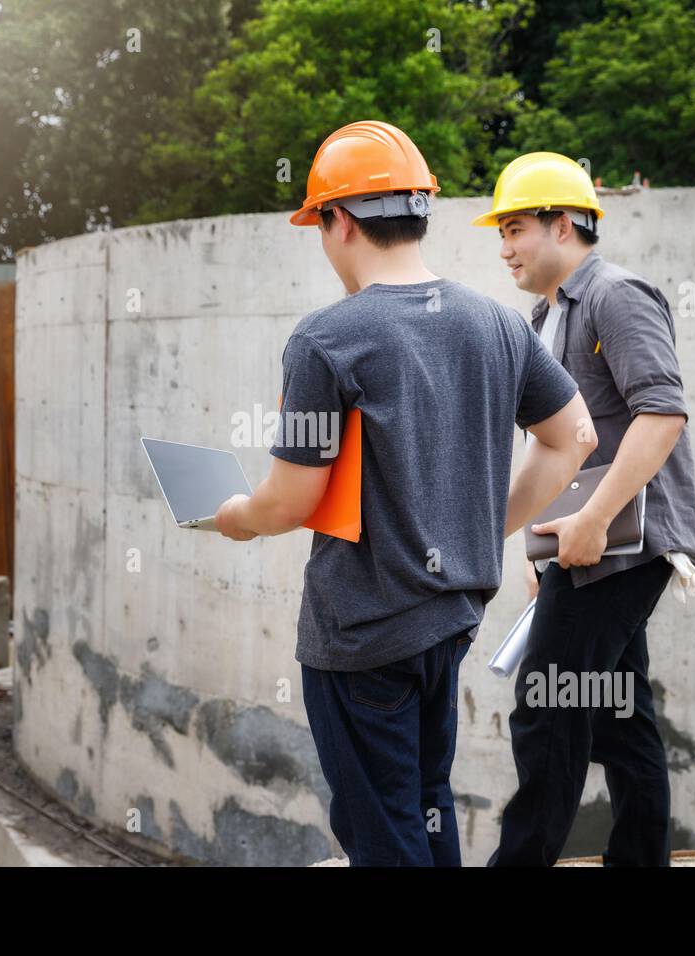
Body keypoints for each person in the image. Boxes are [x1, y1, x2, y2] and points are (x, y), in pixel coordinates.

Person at [213, 122, 595, 865]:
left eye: (319, 224)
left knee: (381, 832)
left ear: (340, 220)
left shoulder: (327, 341)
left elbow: (288, 502)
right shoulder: (498, 325)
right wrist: (483, 530)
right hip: (448, 624)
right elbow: (574, 436)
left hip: (360, 635)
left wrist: (233, 517)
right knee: (424, 805)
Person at [471, 151, 695, 866]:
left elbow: (661, 414)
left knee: (547, 709)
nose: (503, 245)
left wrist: (595, 519)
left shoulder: (616, 295)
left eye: (515, 227)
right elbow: (564, 450)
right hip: (584, 544)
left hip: (624, 543)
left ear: (565, 223)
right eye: (499, 231)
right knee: (617, 718)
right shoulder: (545, 316)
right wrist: (542, 546)